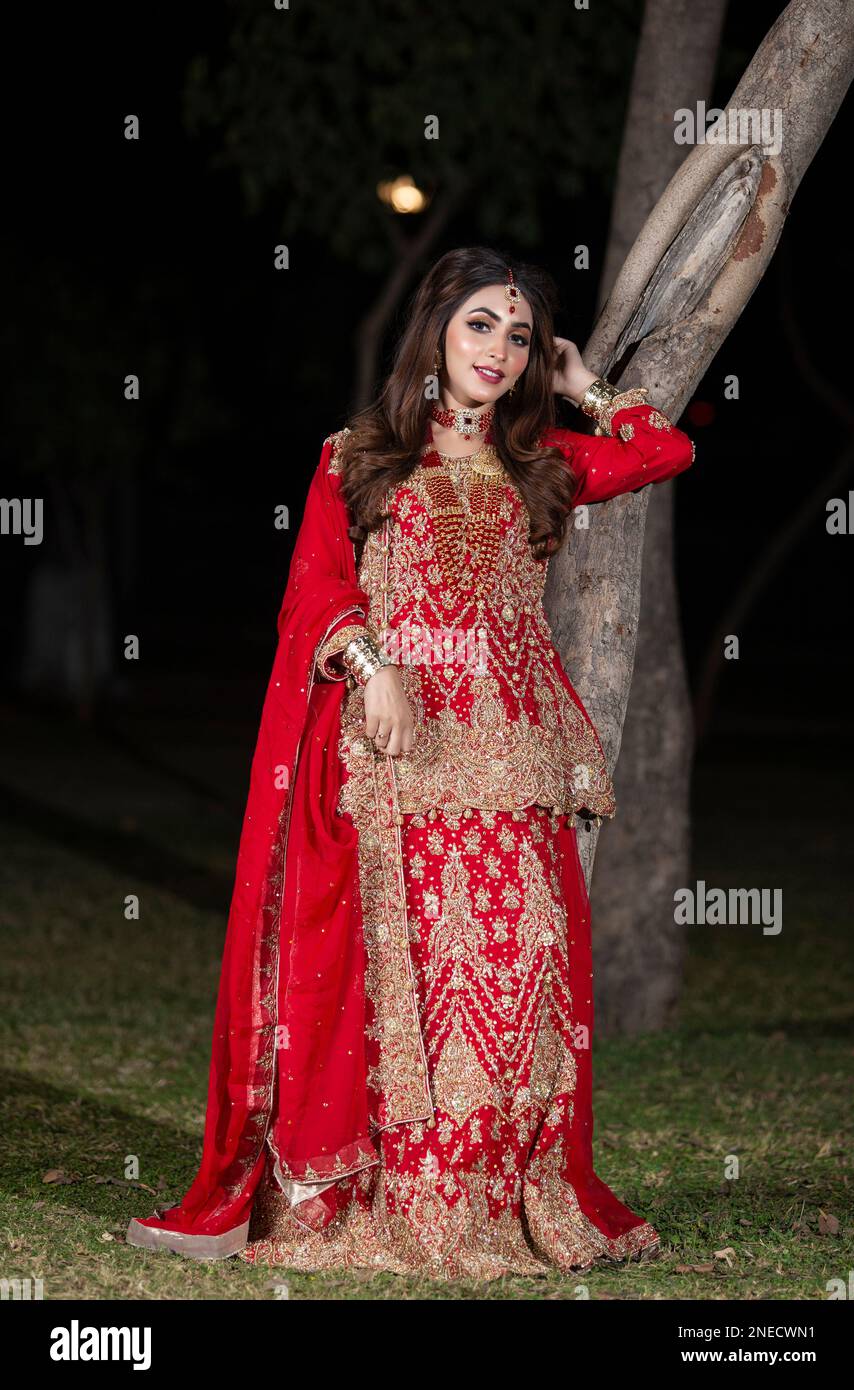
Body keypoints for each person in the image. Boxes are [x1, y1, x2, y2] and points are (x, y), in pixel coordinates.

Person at [127, 246, 694, 1279]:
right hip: (400, 755)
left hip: (515, 760)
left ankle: (495, 1194)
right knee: (415, 983)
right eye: (481, 324)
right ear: (434, 330)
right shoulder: (359, 455)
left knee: (517, 977)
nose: (500, 349)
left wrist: (588, 388)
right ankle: (402, 1198)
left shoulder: (543, 461)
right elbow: (313, 586)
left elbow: (665, 453)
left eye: (519, 336)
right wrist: (374, 665)